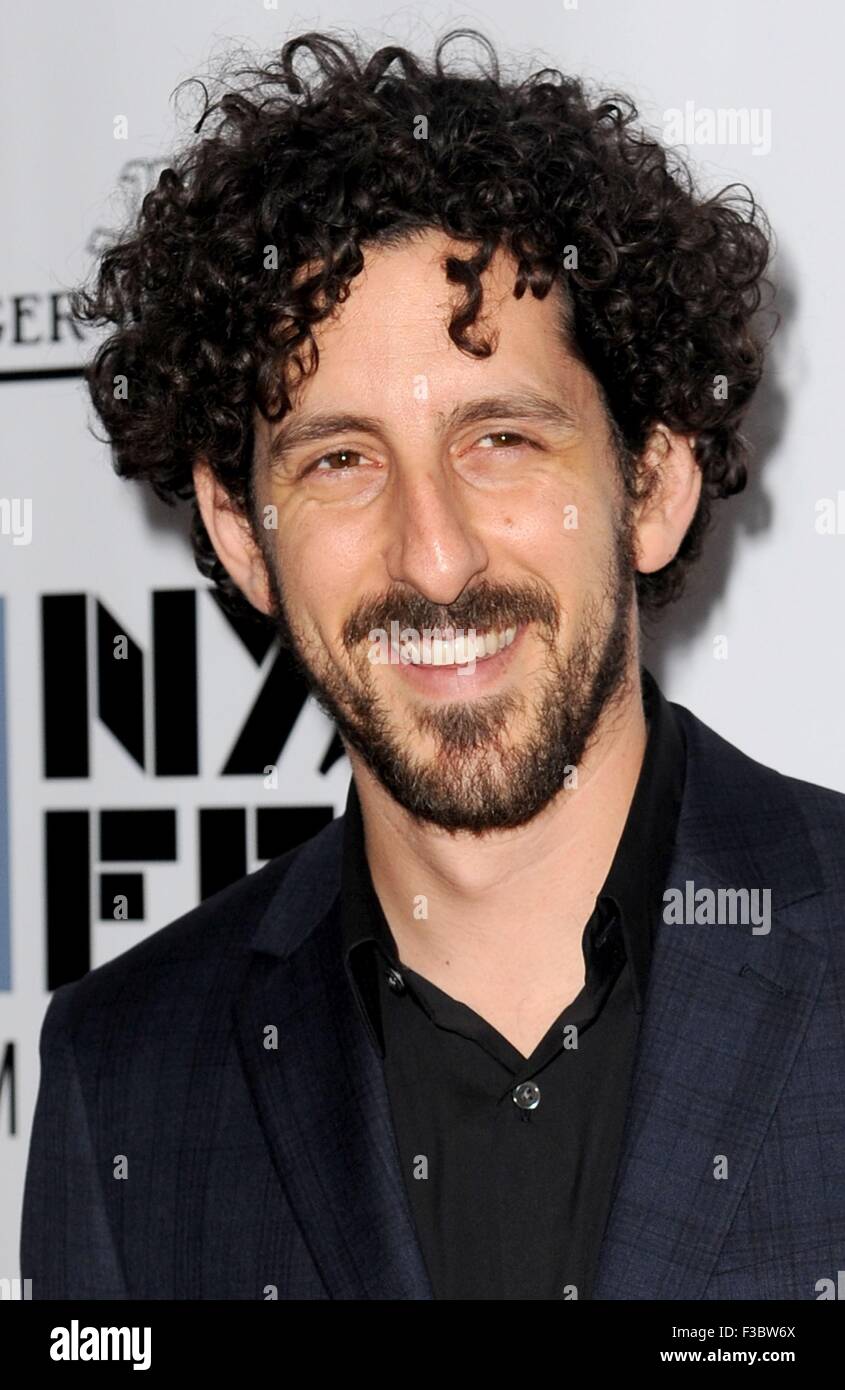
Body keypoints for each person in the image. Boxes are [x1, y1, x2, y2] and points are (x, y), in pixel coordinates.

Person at [20, 29, 845, 1300]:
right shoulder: (121, 1075)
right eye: (338, 460)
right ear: (244, 534)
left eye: (500, 439)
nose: (436, 555)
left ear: (653, 483)